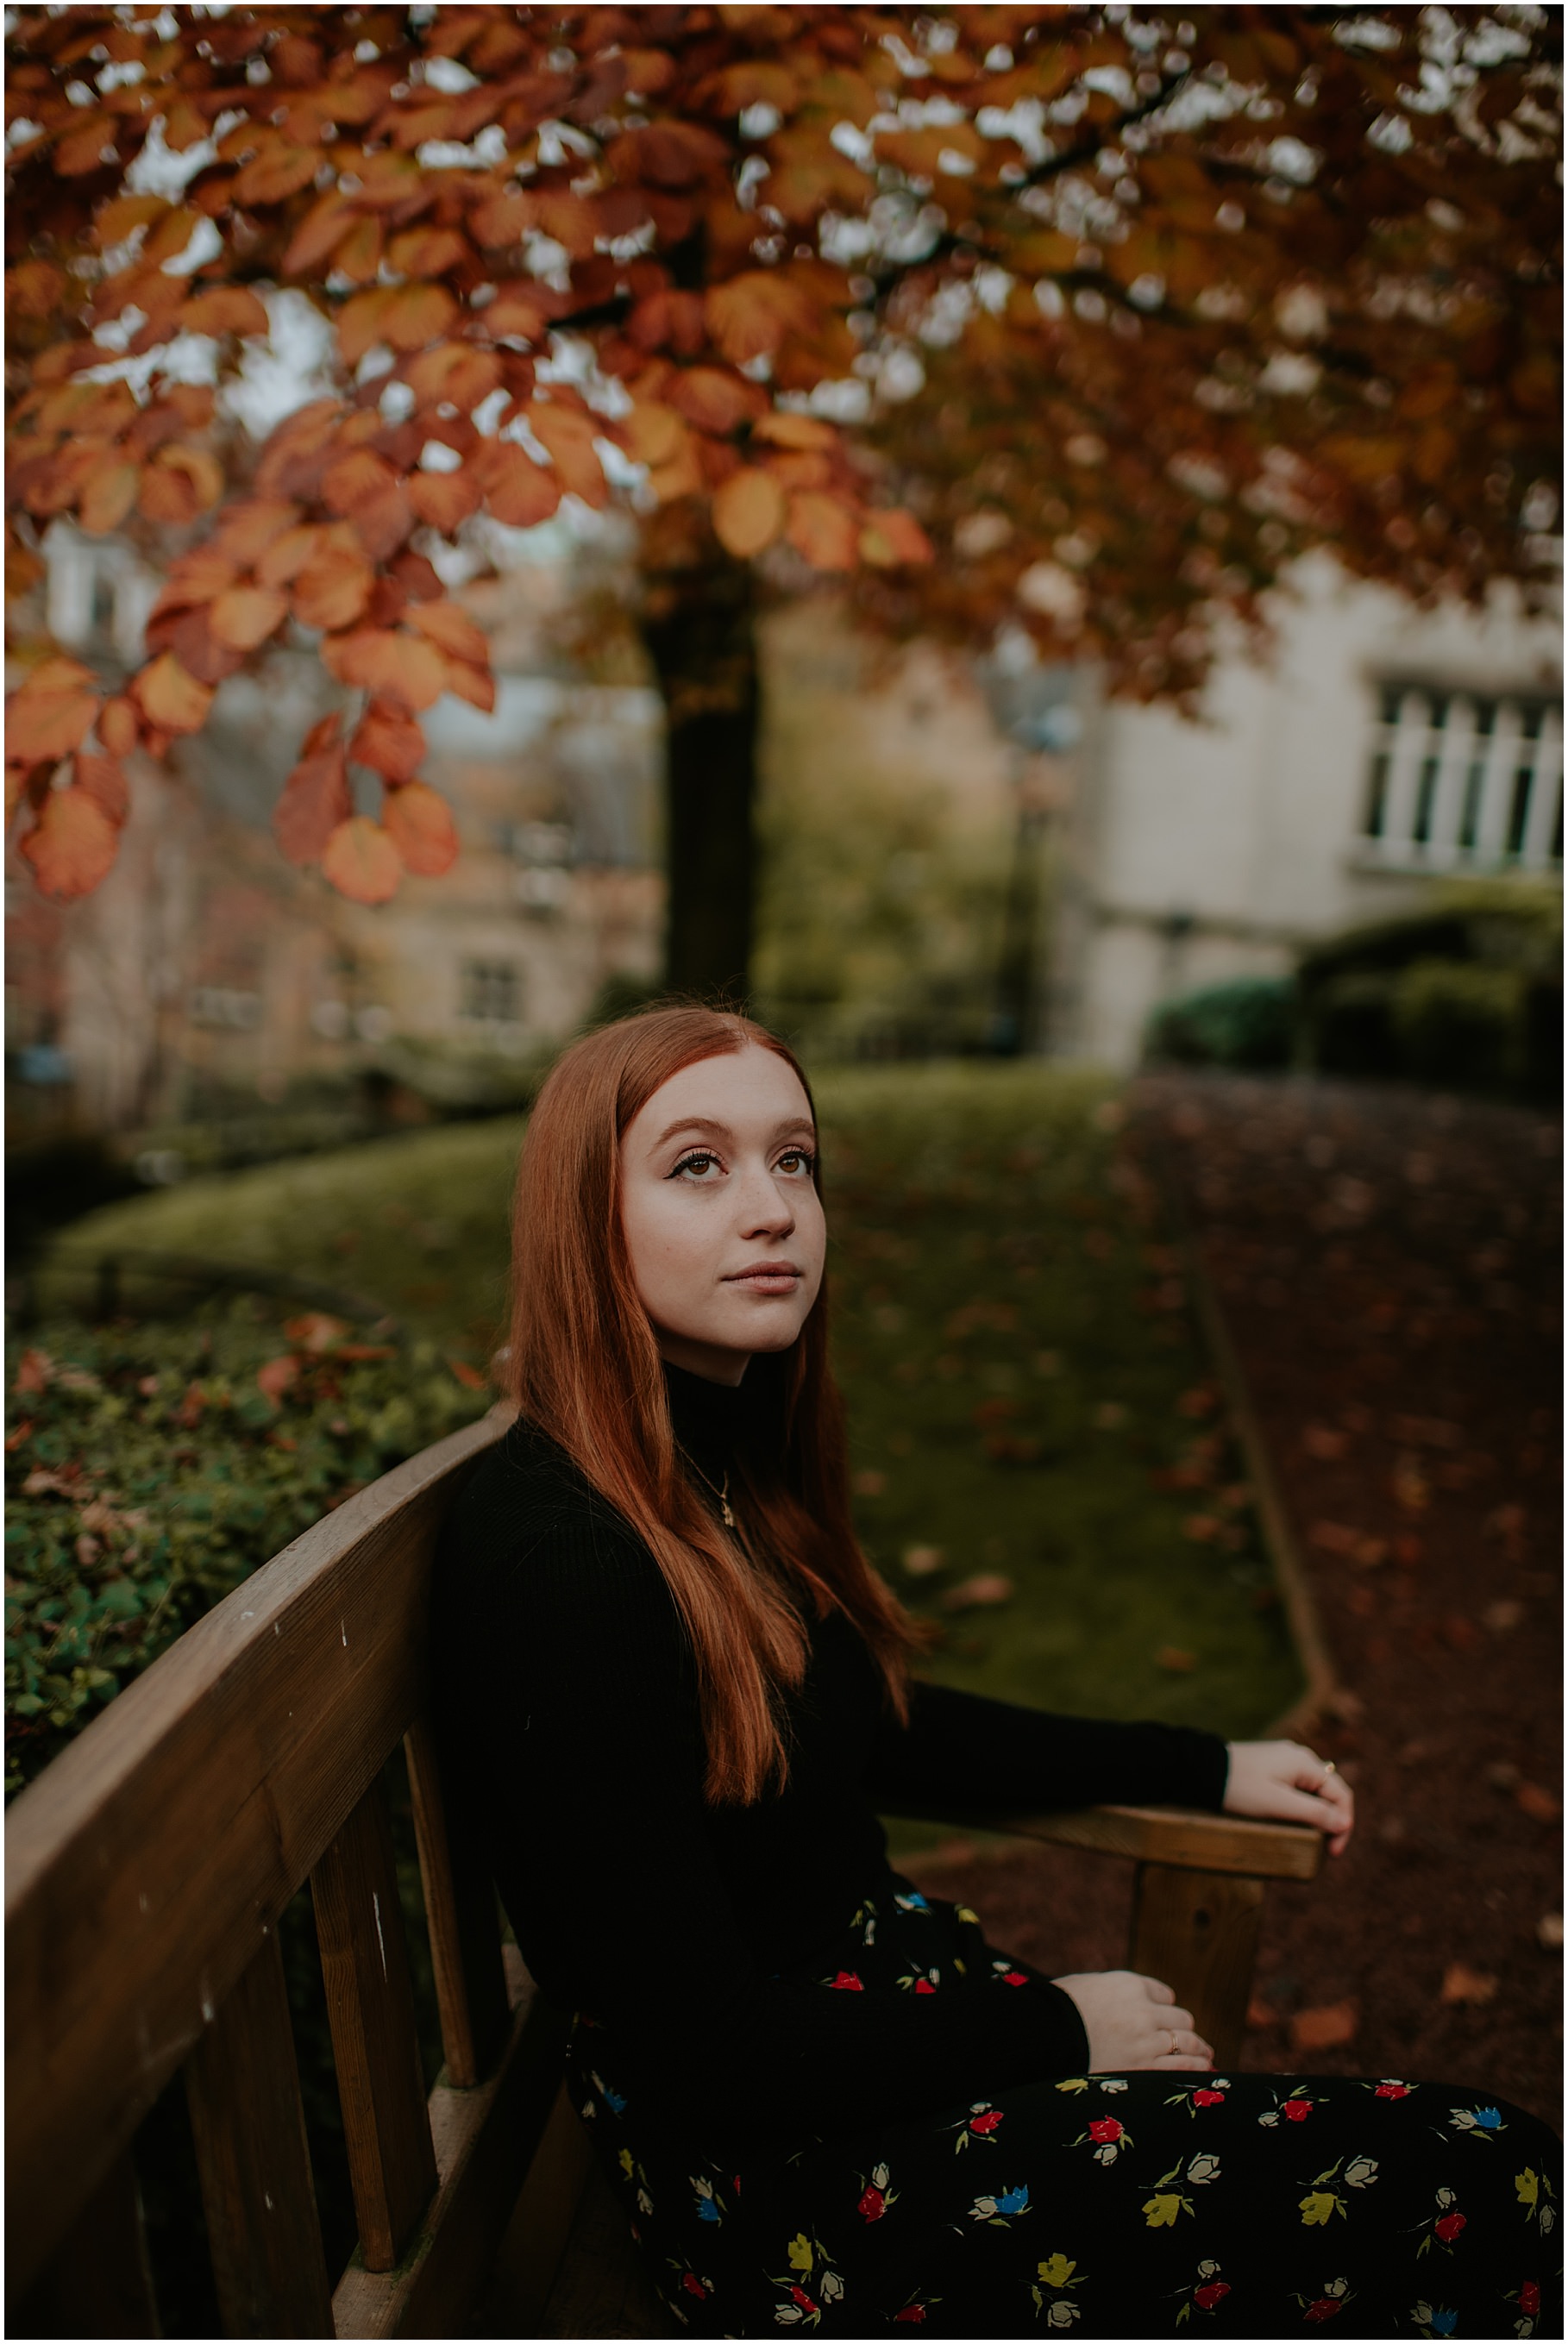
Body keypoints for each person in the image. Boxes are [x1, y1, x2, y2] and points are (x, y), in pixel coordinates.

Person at [431, 1005, 1559, 2338]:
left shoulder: (705, 1470)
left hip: (884, 2060)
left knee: (1475, 2185)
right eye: (697, 1164)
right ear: (584, 1219)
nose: (773, 1208)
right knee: (1493, 2179)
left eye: (793, 1159)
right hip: (802, 2198)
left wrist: (1200, 1764)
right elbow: (711, 2060)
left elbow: (879, 1727)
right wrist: (1059, 2031)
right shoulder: (564, 1562)